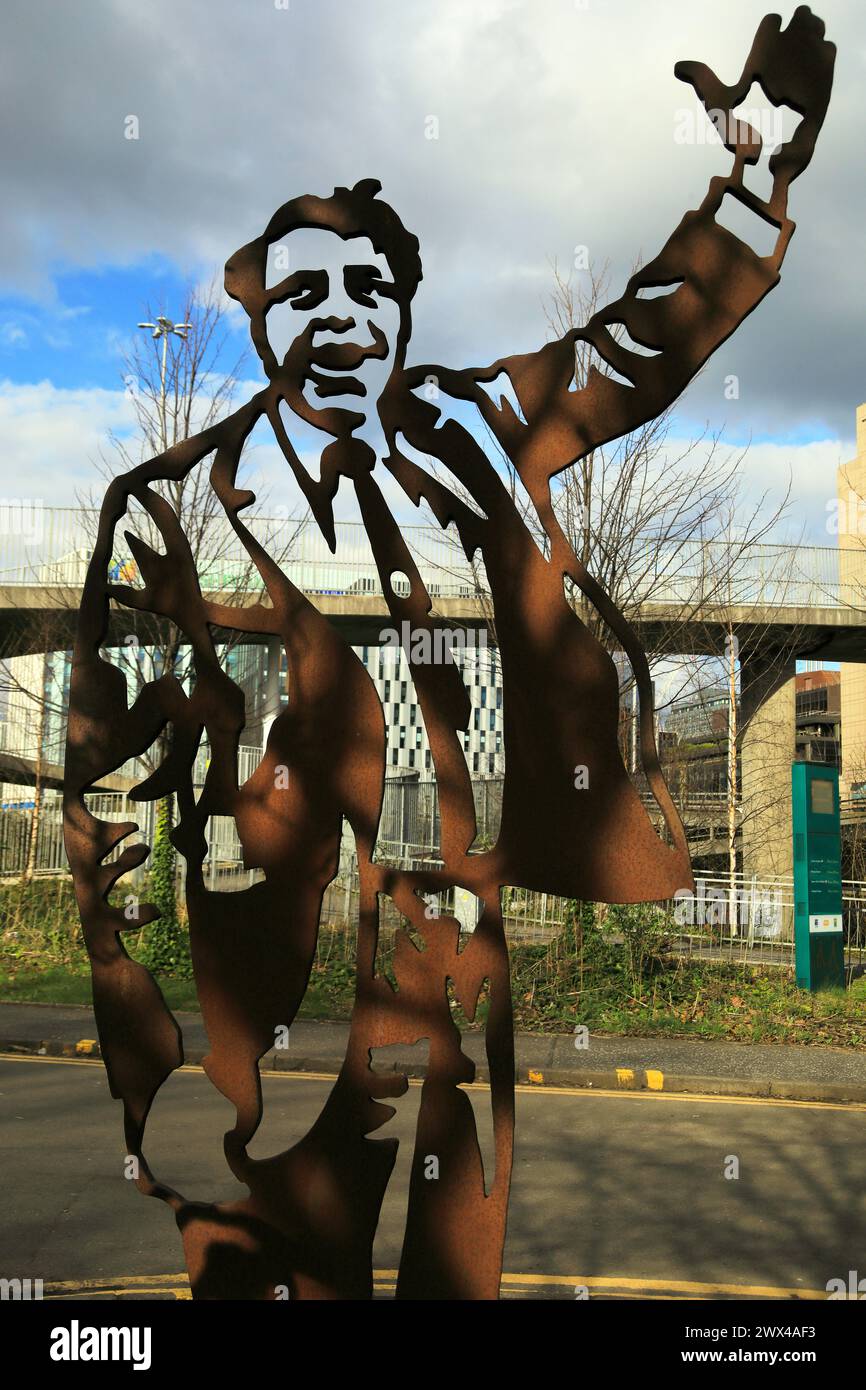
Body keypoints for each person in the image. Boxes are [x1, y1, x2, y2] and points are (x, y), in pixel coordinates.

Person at [65, 7, 835, 1299]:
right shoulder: (173, 501)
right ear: (257, 321)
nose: (345, 318)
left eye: (372, 291)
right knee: (271, 1233)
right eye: (306, 292)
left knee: (452, 1213)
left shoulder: (470, 425)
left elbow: (640, 339)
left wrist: (756, 170)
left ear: (406, 315)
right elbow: (110, 745)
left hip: (450, 921)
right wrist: (118, 953)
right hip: (269, 925)